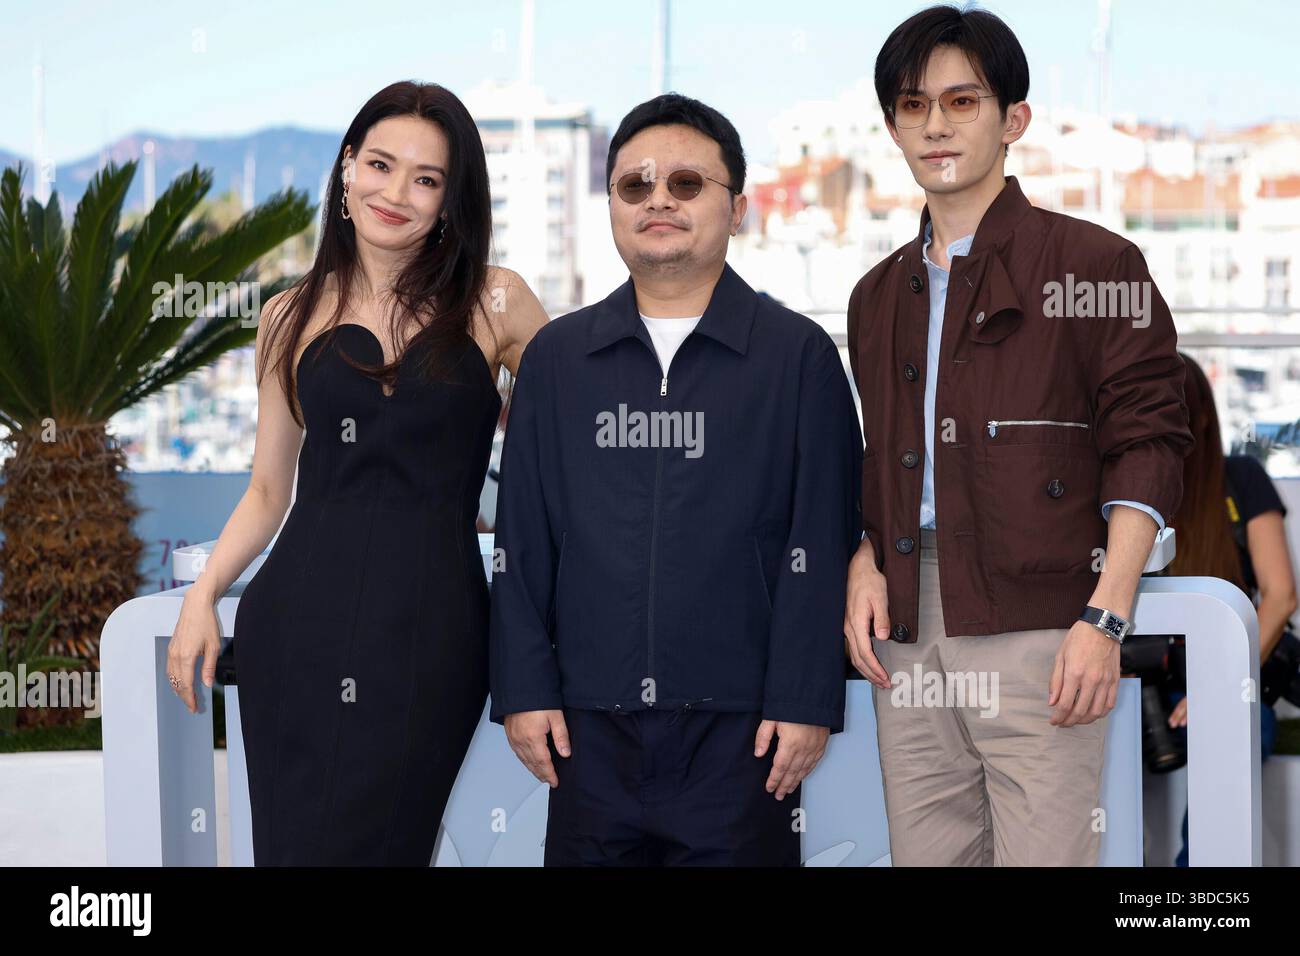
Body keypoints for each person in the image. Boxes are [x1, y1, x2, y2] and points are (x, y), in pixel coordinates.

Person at [843, 5, 1193, 866]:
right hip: (909, 628)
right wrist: (861, 557)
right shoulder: (876, 295)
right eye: (913, 104)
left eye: (962, 101)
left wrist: (1105, 620)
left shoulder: (1097, 266)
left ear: (1014, 120)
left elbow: (1150, 441)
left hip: (1046, 620)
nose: (935, 124)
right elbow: (881, 459)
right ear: (892, 124)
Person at [165, 81, 548, 865]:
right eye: (380, 164)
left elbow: (578, 436)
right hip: (295, 628)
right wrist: (203, 595)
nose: (397, 193)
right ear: (346, 169)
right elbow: (270, 490)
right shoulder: (286, 313)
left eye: (427, 178)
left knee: (386, 844)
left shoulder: (496, 301)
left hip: (433, 631)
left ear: (451, 199)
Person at [488, 93, 862, 866]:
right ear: (614, 208)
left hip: (744, 737)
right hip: (586, 734)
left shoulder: (798, 359)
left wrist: (804, 702)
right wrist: (523, 690)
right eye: (636, 186)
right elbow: (521, 541)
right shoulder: (558, 362)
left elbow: (820, 538)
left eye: (688, 184)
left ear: (738, 209)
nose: (659, 199)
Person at [1163, 353, 1296, 866]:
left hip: (1227, 674)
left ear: (1195, 413)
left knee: (1242, 723)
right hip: (1141, 676)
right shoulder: (1119, 487)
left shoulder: (1239, 477)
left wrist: (1216, 687)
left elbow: (1281, 595)